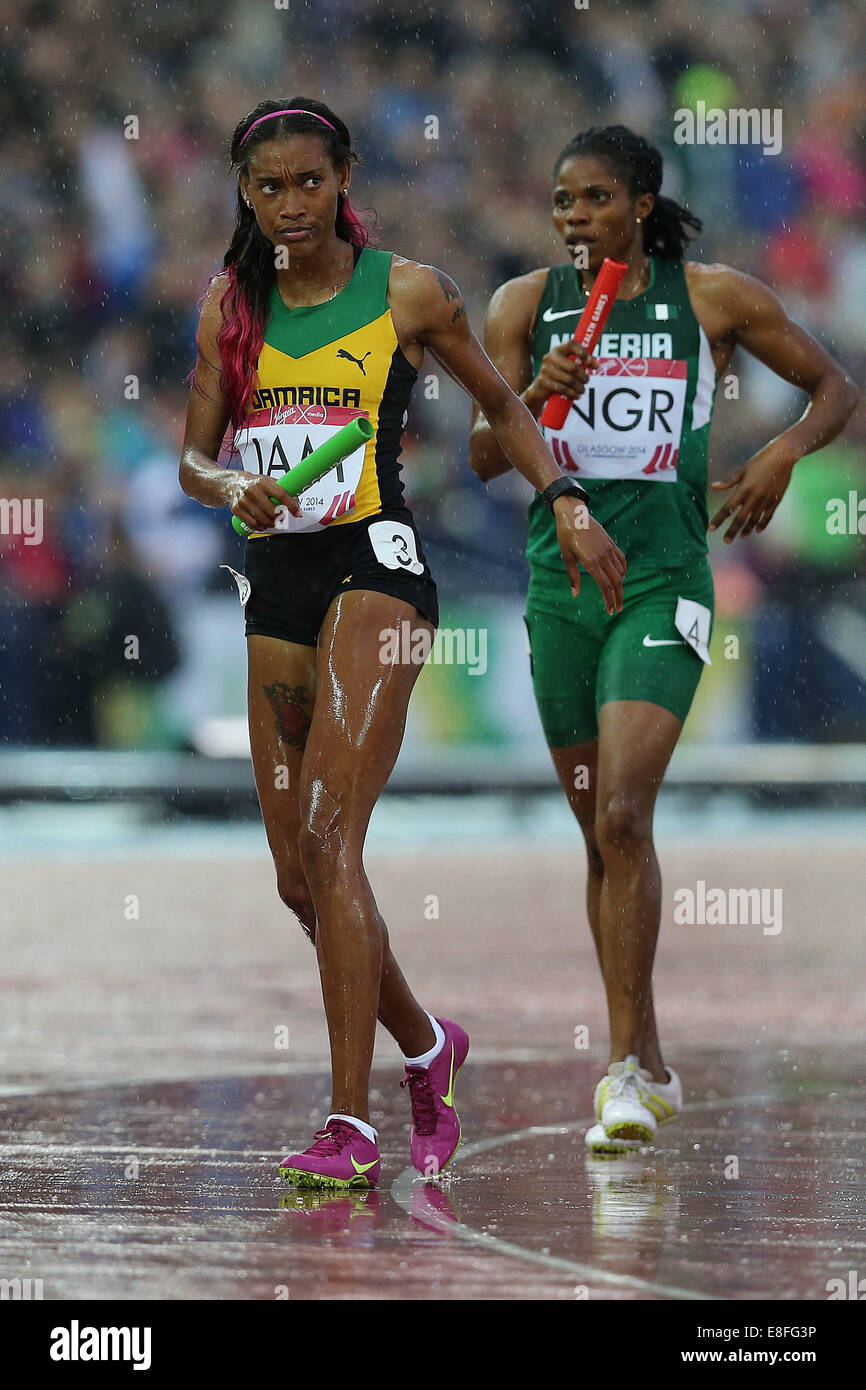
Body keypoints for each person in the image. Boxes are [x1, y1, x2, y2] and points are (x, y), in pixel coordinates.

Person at [179, 99, 626, 1188]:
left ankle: (350, 1126)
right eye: (267, 187)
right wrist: (227, 480)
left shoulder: (410, 290)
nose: (289, 206)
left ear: (343, 181)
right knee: (297, 876)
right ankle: (428, 1047)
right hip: (275, 578)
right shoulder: (228, 303)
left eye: (308, 184)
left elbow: (502, 408)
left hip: (375, 565)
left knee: (334, 840)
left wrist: (562, 497)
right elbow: (192, 456)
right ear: (245, 193)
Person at [469, 125, 859, 1154]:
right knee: (598, 829)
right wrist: (539, 390)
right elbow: (474, 455)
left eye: (593, 199)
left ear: (640, 204)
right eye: (561, 202)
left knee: (627, 816)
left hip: (663, 581)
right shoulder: (519, 308)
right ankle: (646, 1044)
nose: (573, 219)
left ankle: (622, 1065)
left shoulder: (709, 297)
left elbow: (835, 389)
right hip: (560, 587)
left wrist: (774, 455)